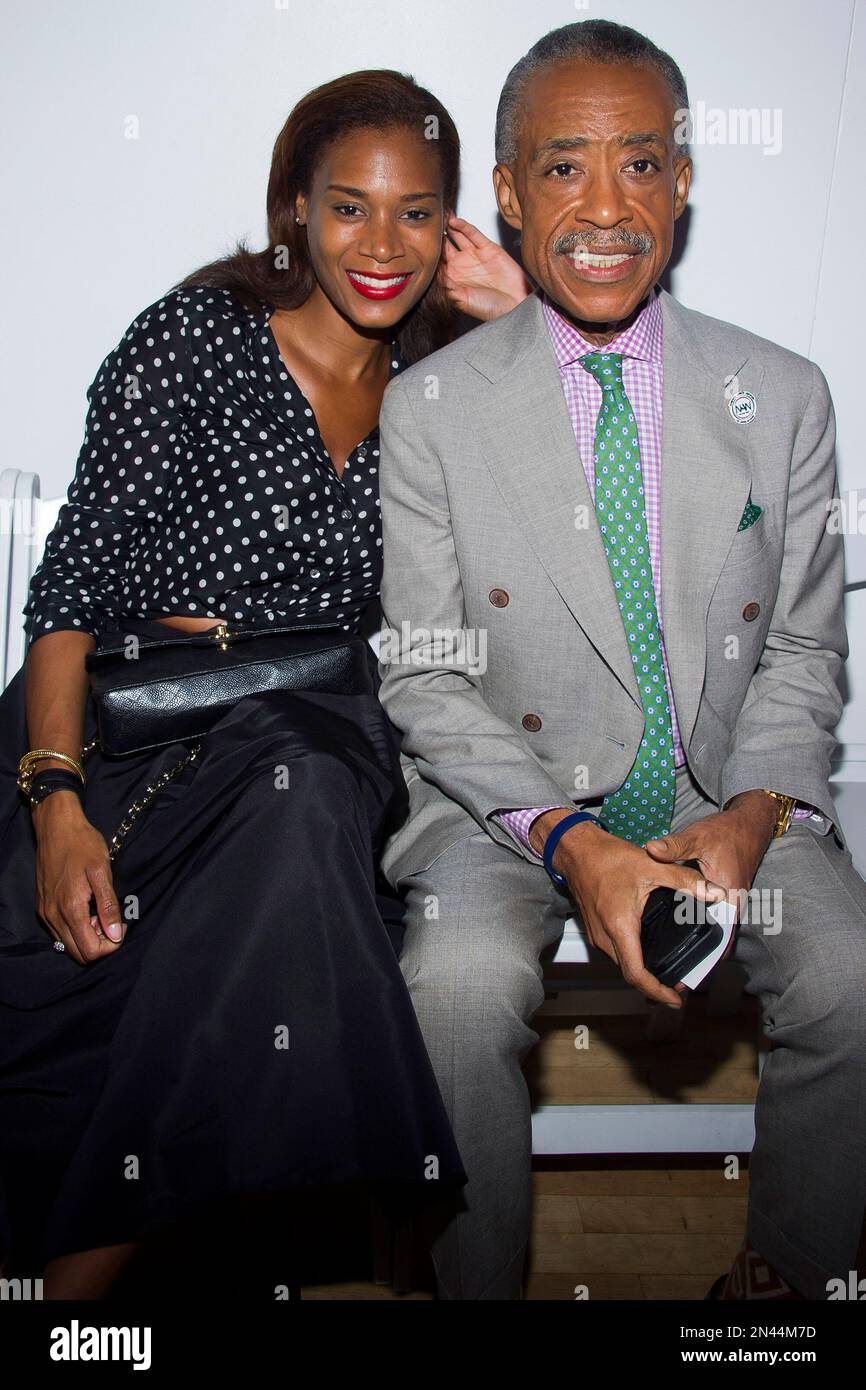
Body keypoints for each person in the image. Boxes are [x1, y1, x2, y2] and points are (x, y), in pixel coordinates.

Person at [0, 67, 530, 1300]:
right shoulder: (193, 341)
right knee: (100, 963)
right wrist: (56, 801)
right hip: (128, 739)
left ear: (452, 224)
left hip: (318, 741)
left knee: (300, 792)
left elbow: (555, 565)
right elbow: (69, 589)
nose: (381, 245)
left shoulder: (452, 393)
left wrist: (516, 323)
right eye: (349, 207)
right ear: (294, 208)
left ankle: (69, 1295)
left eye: (416, 213)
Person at [376, 18, 866, 1301]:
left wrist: (756, 809)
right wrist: (567, 841)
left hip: (729, 790)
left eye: (639, 164)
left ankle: (783, 1287)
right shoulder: (430, 410)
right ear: (504, 190)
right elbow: (423, 670)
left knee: (851, 978)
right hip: (505, 808)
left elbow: (808, 643)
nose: (604, 206)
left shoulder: (784, 393)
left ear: (684, 181)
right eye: (561, 167)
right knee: (455, 982)